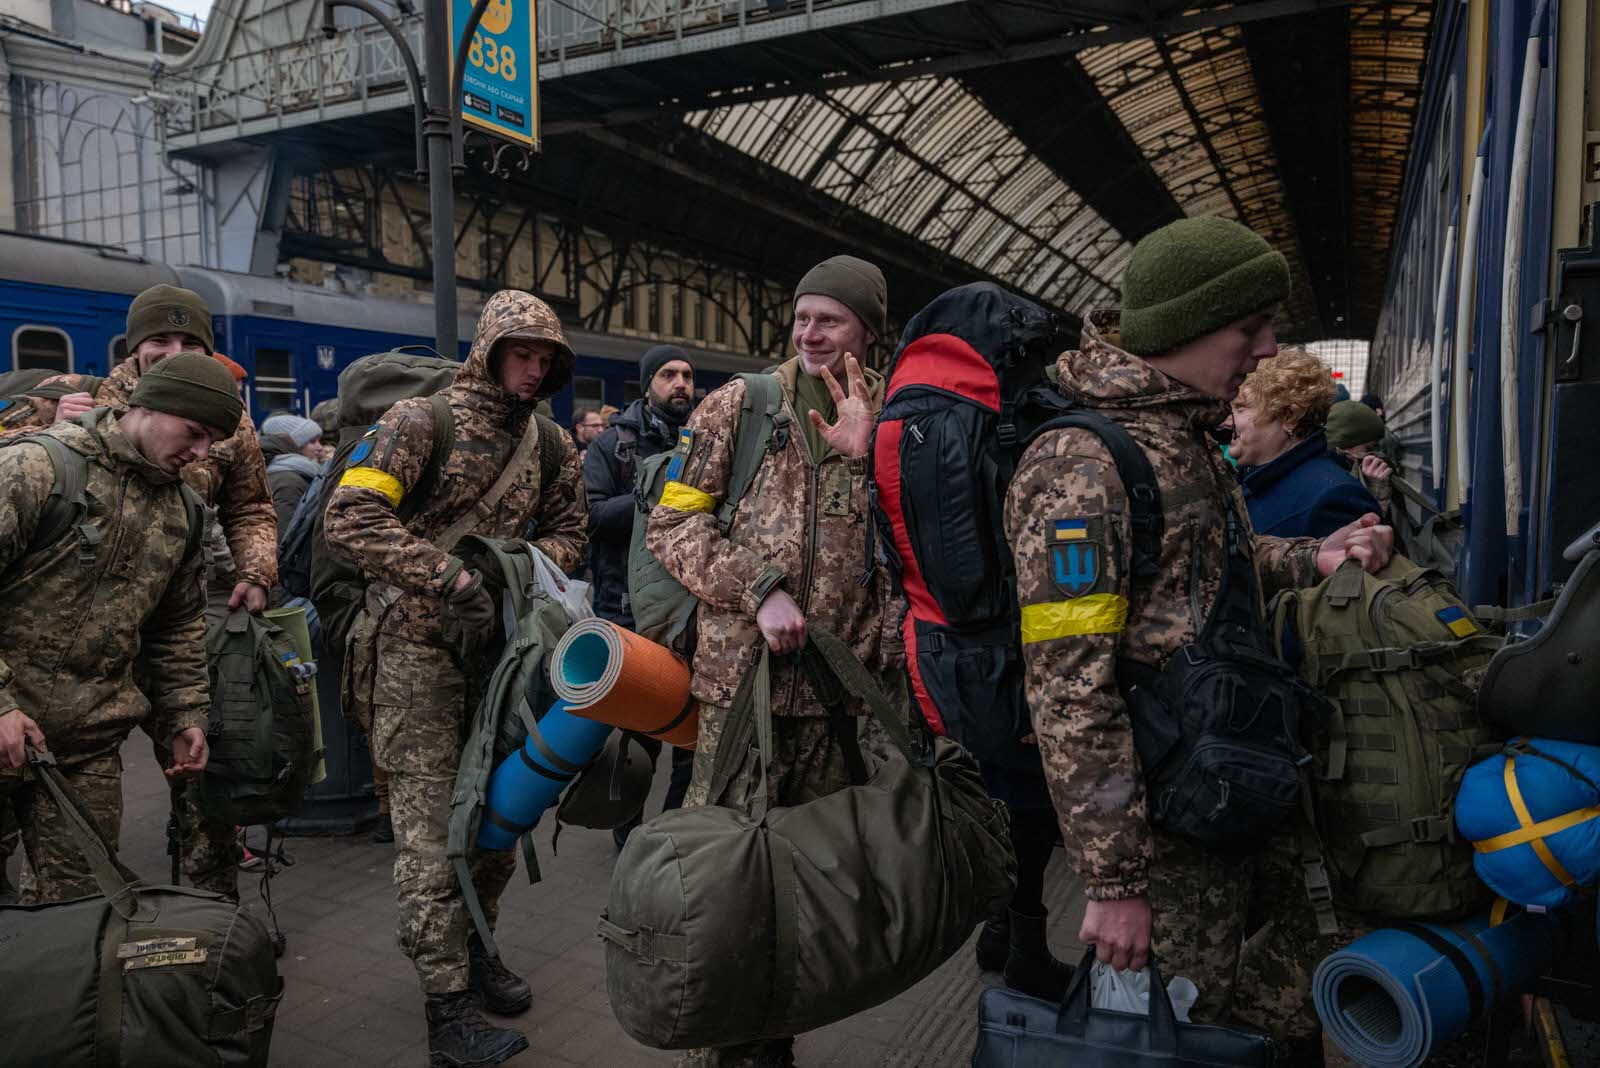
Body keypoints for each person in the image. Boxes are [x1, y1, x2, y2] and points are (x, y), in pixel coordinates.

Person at [1005, 216, 1395, 1058]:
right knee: (1176, 1028)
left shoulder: (1181, 435)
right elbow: (1070, 684)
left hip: (1221, 777)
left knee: (1268, 987)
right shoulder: (1080, 465)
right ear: (1181, 326)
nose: (1266, 350)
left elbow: (1199, 567)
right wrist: (1111, 882)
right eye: (1248, 329)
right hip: (1164, 826)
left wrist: (1308, 554)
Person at [646, 254, 906, 1068]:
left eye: (830, 319)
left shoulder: (897, 417)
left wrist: (868, 457)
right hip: (741, 694)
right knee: (722, 877)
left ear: (869, 329)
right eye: (802, 317)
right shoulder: (741, 405)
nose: (810, 332)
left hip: (839, 695)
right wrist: (758, 591)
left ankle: (775, 1034)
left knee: (806, 877)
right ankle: (713, 1042)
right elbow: (673, 526)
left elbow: (907, 552)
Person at [323, 290, 587, 1068]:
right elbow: (352, 517)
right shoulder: (417, 422)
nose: (533, 371)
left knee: (498, 821)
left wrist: (516, 575)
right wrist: (452, 577)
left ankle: (475, 950)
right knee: (433, 836)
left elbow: (571, 531)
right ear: (489, 349)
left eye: (546, 359)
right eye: (521, 354)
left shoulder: (549, 442)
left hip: (502, 659)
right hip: (414, 657)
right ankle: (447, 1009)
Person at [0, 353, 238, 902]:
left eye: (213, 443)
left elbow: (174, 628)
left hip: (84, 749)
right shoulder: (39, 469)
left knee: (82, 912)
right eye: (194, 432)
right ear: (147, 408)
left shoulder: (185, 513)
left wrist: (182, 714)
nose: (200, 453)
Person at [584, 344, 699, 849]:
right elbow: (592, 516)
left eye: (688, 376)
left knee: (693, 732)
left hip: (694, 608)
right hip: (630, 608)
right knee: (638, 733)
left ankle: (674, 830)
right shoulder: (613, 445)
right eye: (669, 375)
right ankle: (627, 836)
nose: (681, 384)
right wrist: (656, 497)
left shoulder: (707, 437)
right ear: (648, 382)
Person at [1229, 349, 1381, 538]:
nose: (1227, 421)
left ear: (1289, 417)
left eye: (1240, 408)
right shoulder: (1250, 480)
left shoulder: (1334, 500)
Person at [1325, 399, 1396, 514]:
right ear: (1347, 444)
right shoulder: (1336, 483)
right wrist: (1375, 494)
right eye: (1369, 448)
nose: (1373, 454)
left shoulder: (1333, 468)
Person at [260, 413, 324, 529]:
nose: (320, 447)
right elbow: (284, 535)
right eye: (312, 442)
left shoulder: (289, 473)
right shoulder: (288, 483)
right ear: (293, 445)